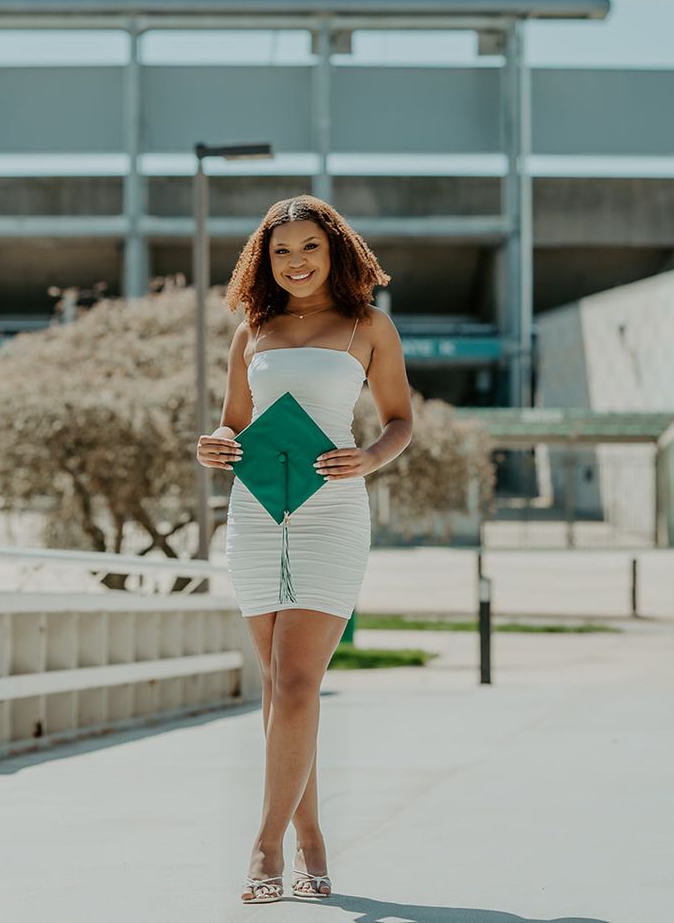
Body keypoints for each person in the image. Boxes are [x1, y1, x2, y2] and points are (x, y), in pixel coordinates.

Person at [196, 194, 414, 904]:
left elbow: (399, 419)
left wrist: (370, 459)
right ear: (266, 259)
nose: (296, 261)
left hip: (331, 511)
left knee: (294, 684)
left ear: (335, 252)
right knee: (281, 687)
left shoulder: (367, 326)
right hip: (257, 513)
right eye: (282, 250)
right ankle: (311, 839)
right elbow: (235, 425)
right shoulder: (250, 331)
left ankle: (267, 846)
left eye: (309, 248)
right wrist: (215, 445)